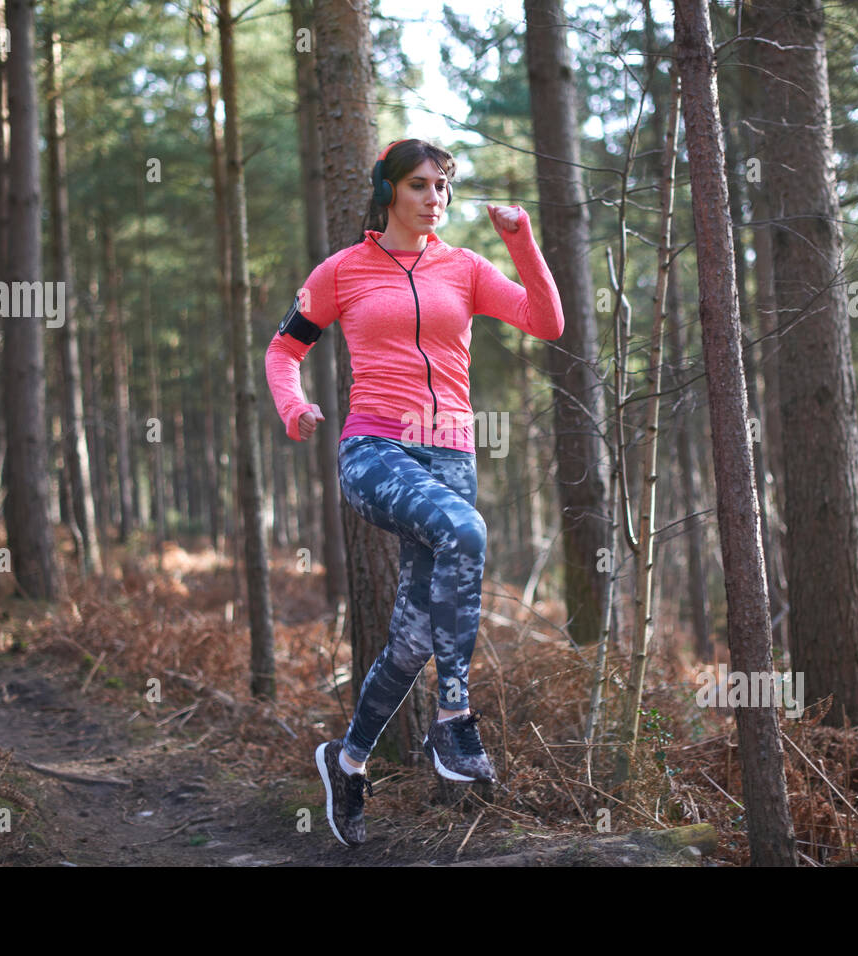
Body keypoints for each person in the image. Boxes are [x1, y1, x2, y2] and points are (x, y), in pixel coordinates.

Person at [263, 138, 565, 847]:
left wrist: (521, 244)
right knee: (466, 532)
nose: (436, 197)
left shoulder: (465, 268)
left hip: (453, 453)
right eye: (421, 185)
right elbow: (285, 349)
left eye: (443, 185)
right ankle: (453, 719)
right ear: (389, 193)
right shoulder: (343, 271)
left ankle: (348, 760)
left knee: (413, 637)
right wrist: (294, 406)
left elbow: (546, 323)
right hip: (375, 447)